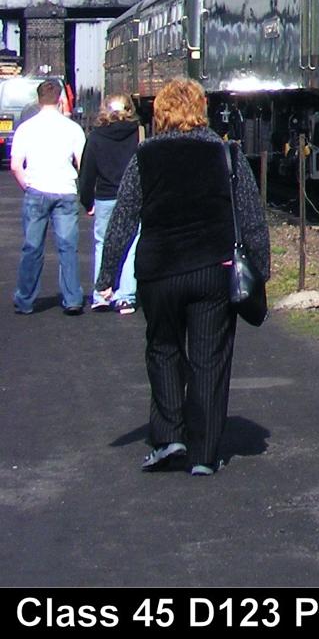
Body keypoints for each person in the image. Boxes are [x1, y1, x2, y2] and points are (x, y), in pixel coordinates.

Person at [96, 78, 270, 476]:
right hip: (213, 270)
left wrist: (107, 273)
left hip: (159, 272)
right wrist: (260, 269)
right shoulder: (226, 154)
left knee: (163, 349)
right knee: (210, 359)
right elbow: (252, 218)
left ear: (160, 113)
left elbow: (123, 219)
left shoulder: (145, 157)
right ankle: (205, 454)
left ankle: (169, 435)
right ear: (201, 110)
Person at [12, 79, 86, 316]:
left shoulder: (25, 128)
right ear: (61, 100)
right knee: (68, 247)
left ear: (38, 99)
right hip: (65, 190)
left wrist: (28, 186)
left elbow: (15, 166)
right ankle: (72, 298)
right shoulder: (73, 128)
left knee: (32, 248)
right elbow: (81, 162)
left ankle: (25, 299)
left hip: (36, 190)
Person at [79, 95, 143, 313]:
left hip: (105, 197)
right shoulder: (138, 134)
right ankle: (125, 296)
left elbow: (87, 173)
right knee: (131, 245)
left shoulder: (96, 137)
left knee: (103, 244)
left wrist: (86, 201)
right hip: (132, 197)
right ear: (130, 108)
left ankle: (101, 294)